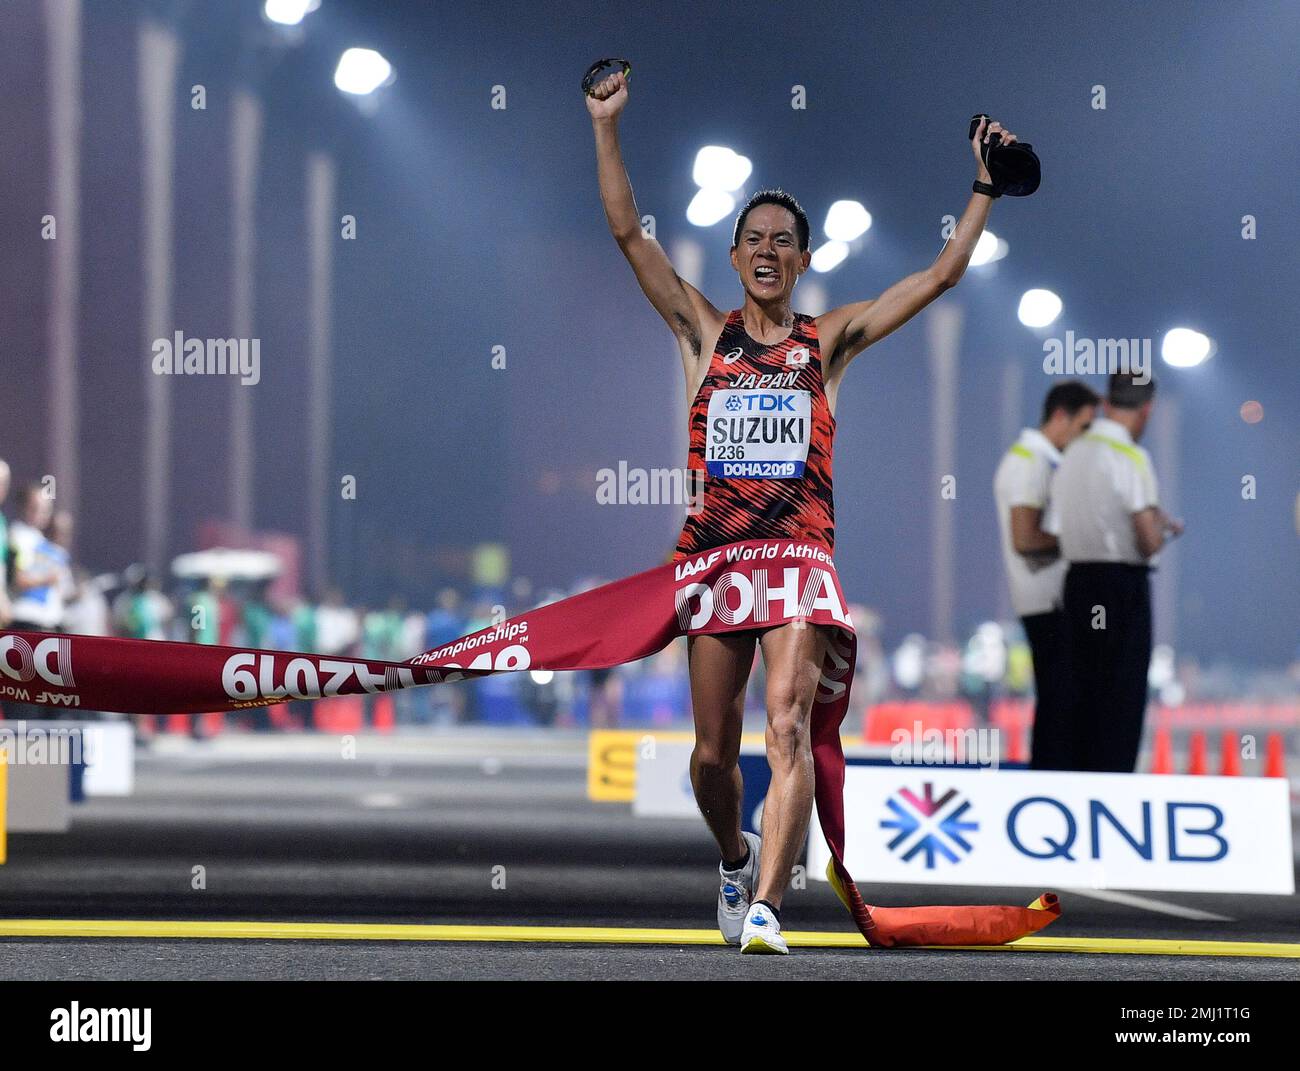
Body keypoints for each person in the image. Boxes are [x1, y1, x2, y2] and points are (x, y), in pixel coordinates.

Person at [588, 68, 1020, 952]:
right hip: (715, 559)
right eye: (754, 238)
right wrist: (606, 125)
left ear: (804, 259)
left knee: (786, 723)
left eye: (785, 240)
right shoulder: (704, 333)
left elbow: (938, 276)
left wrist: (983, 186)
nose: (768, 250)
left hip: (798, 559)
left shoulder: (831, 341)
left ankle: (768, 908)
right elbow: (629, 233)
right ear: (737, 252)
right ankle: (733, 855)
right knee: (712, 757)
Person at [1047, 372, 1183, 771]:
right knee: (1120, 698)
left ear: (1106, 404)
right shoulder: (1132, 457)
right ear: (1147, 410)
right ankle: (1113, 781)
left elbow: (1057, 524)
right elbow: (1147, 539)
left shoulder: (1071, 451)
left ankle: (1078, 780)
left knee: (1081, 692)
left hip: (1076, 584)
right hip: (1121, 588)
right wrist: (1164, 532)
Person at [993, 381, 1098, 768]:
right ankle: (1052, 783)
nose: (1086, 437)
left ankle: (1056, 780)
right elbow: (1026, 537)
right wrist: (1084, 539)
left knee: (1064, 706)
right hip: (1045, 602)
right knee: (1060, 706)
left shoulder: (1042, 460)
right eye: (1084, 426)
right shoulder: (1028, 462)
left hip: (1051, 601)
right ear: (1060, 416)